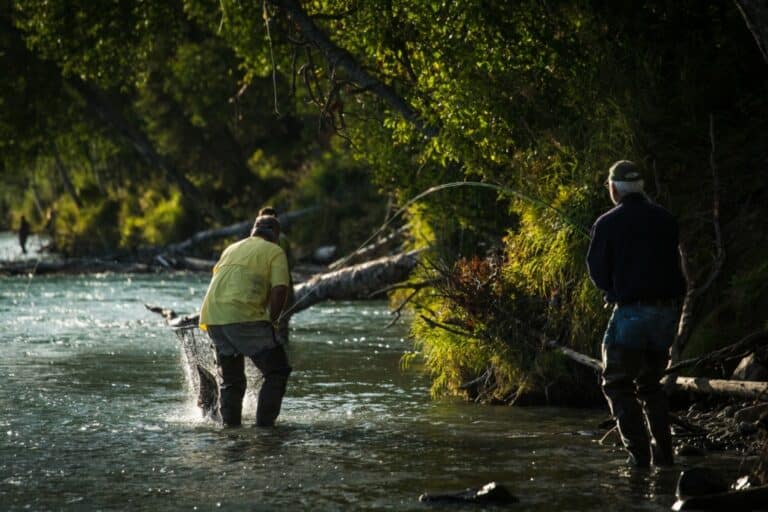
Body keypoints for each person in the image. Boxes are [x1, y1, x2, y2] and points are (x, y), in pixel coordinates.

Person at [586, 160, 686, 468]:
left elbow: (598, 273)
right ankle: (665, 458)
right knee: (650, 386)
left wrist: (613, 290)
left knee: (617, 384)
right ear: (641, 187)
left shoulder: (606, 223)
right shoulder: (667, 219)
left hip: (631, 315)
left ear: (614, 189)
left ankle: (639, 459)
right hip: (667, 316)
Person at [199, 214, 292, 427]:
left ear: (253, 231)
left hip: (213, 317)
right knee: (277, 370)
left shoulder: (231, 248)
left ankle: (231, 431)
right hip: (242, 316)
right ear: (276, 235)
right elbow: (280, 290)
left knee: (231, 382)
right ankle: (265, 430)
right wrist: (273, 321)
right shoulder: (275, 251)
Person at [258, 206, 295, 344]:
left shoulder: (255, 240)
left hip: (264, 286)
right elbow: (292, 262)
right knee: (283, 322)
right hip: (284, 284)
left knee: (264, 322)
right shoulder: (283, 239)